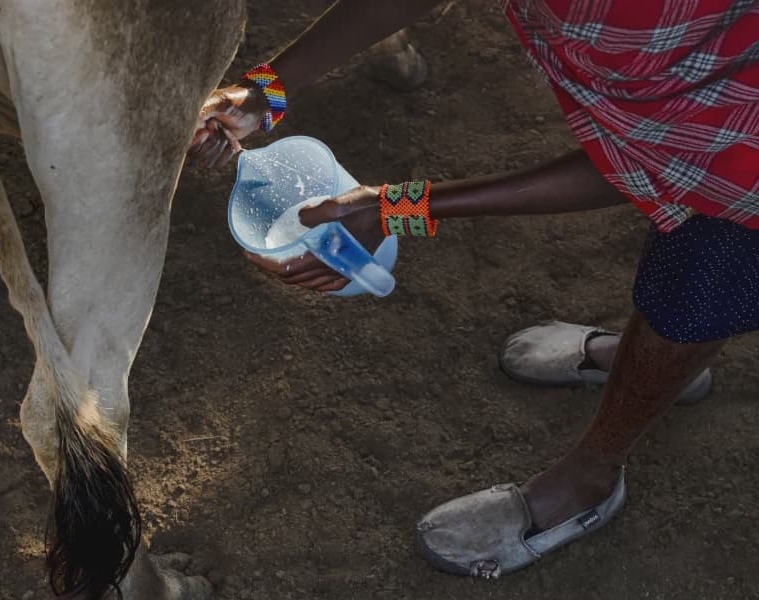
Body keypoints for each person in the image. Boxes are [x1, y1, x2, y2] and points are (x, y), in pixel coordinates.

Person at [189, 0, 759, 578]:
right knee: (680, 286)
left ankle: (590, 477)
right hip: (687, 103)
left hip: (741, 150)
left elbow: (660, 168)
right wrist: (267, 92)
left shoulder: (634, 18)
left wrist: (396, 207)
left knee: (699, 283)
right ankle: (643, 364)